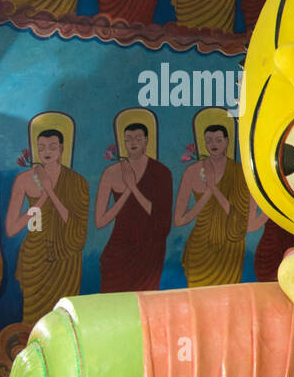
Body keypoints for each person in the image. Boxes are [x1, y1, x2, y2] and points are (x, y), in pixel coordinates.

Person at [5, 128, 88, 326]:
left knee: (63, 319)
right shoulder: (24, 179)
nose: (47, 152)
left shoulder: (77, 182)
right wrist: (41, 199)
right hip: (35, 257)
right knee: (32, 322)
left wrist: (50, 191)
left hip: (66, 259)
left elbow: (77, 226)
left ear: (61, 149)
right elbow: (11, 229)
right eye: (41, 148)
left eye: (52, 147)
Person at [174, 124, 261, 285]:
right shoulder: (192, 171)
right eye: (209, 140)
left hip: (230, 248)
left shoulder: (241, 172)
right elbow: (179, 220)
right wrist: (208, 193)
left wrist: (214, 188)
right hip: (200, 247)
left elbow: (246, 223)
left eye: (218, 140)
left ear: (227, 142)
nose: (213, 144)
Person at [95, 123, 173, 292]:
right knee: (114, 300)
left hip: (149, 248)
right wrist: (126, 193)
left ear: (146, 141)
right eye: (128, 139)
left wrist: (133, 188)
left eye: (138, 138)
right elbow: (100, 221)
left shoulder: (161, 172)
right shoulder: (111, 172)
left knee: (144, 303)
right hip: (120, 245)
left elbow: (163, 219)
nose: (133, 142)